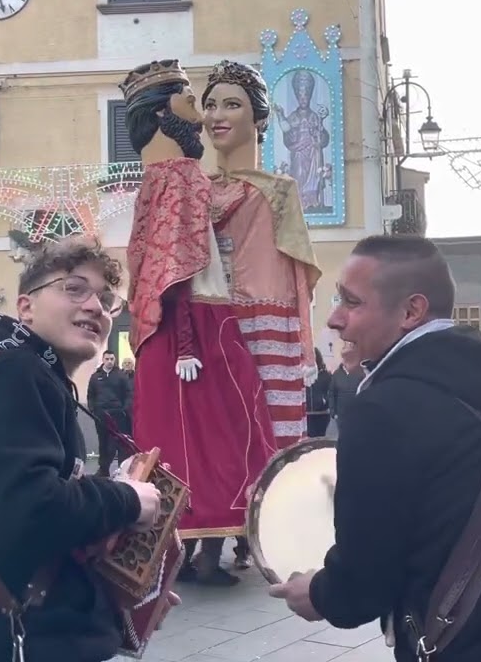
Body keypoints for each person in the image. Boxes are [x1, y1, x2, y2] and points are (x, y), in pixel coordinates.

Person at [268, 235, 481, 661]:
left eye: (351, 303)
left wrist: (316, 593)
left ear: (411, 311)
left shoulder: (382, 410)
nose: (335, 319)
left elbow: (363, 584)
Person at [0, 237, 171, 662]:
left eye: (106, 299)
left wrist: (116, 596)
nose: (95, 305)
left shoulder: (32, 375)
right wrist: (127, 499)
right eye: (74, 288)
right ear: (26, 306)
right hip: (16, 641)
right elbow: (30, 508)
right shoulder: (15, 371)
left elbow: (23, 535)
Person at [122, 59, 277, 585]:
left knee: (171, 438)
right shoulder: (184, 177)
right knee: (219, 438)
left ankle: (181, 550)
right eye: (191, 100)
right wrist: (188, 342)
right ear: (167, 113)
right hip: (198, 327)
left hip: (163, 333)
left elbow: (153, 266)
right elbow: (179, 267)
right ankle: (206, 548)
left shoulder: (154, 179)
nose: (203, 113)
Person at [203, 59, 322, 446]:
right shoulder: (194, 192)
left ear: (258, 118)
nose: (216, 116)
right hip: (207, 325)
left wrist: (300, 341)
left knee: (268, 439)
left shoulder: (279, 190)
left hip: (264, 325)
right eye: (210, 105)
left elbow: (299, 278)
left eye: (231, 104)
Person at [87, 350, 132, 476]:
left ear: (115, 360)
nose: (110, 361)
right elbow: (91, 395)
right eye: (107, 359)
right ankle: (103, 469)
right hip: (101, 414)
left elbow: (128, 393)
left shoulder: (120, 376)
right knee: (103, 442)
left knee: (121, 443)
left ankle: (122, 471)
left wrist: (124, 409)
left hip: (118, 414)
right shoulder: (95, 376)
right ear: (103, 359)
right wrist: (93, 410)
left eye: (112, 359)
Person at [327, 341, 364, 436]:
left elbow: (365, 391)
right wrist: (333, 412)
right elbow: (331, 394)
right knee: (343, 437)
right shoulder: (337, 374)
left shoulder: (360, 372)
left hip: (357, 413)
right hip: (341, 414)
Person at [305, 348, 333, 438]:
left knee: (319, 438)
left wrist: (325, 401)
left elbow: (332, 393)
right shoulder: (303, 374)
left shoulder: (326, 375)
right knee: (307, 439)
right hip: (307, 414)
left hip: (322, 414)